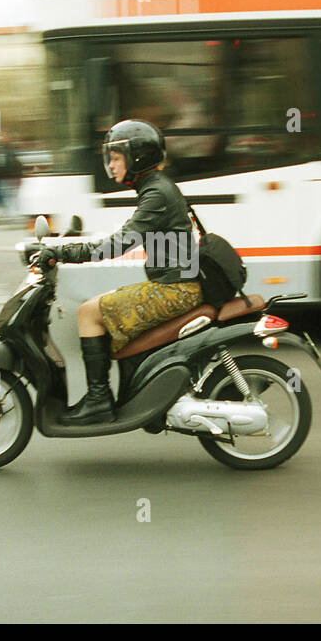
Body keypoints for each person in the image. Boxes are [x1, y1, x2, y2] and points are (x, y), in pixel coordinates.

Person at [32, 120, 201, 425]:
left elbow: (120, 243)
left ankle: (99, 400)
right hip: (173, 284)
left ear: (137, 157)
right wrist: (69, 243)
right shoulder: (154, 188)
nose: (110, 164)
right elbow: (124, 234)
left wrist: (62, 253)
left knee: (88, 313)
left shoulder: (157, 194)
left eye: (116, 157)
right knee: (103, 308)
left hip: (174, 290)